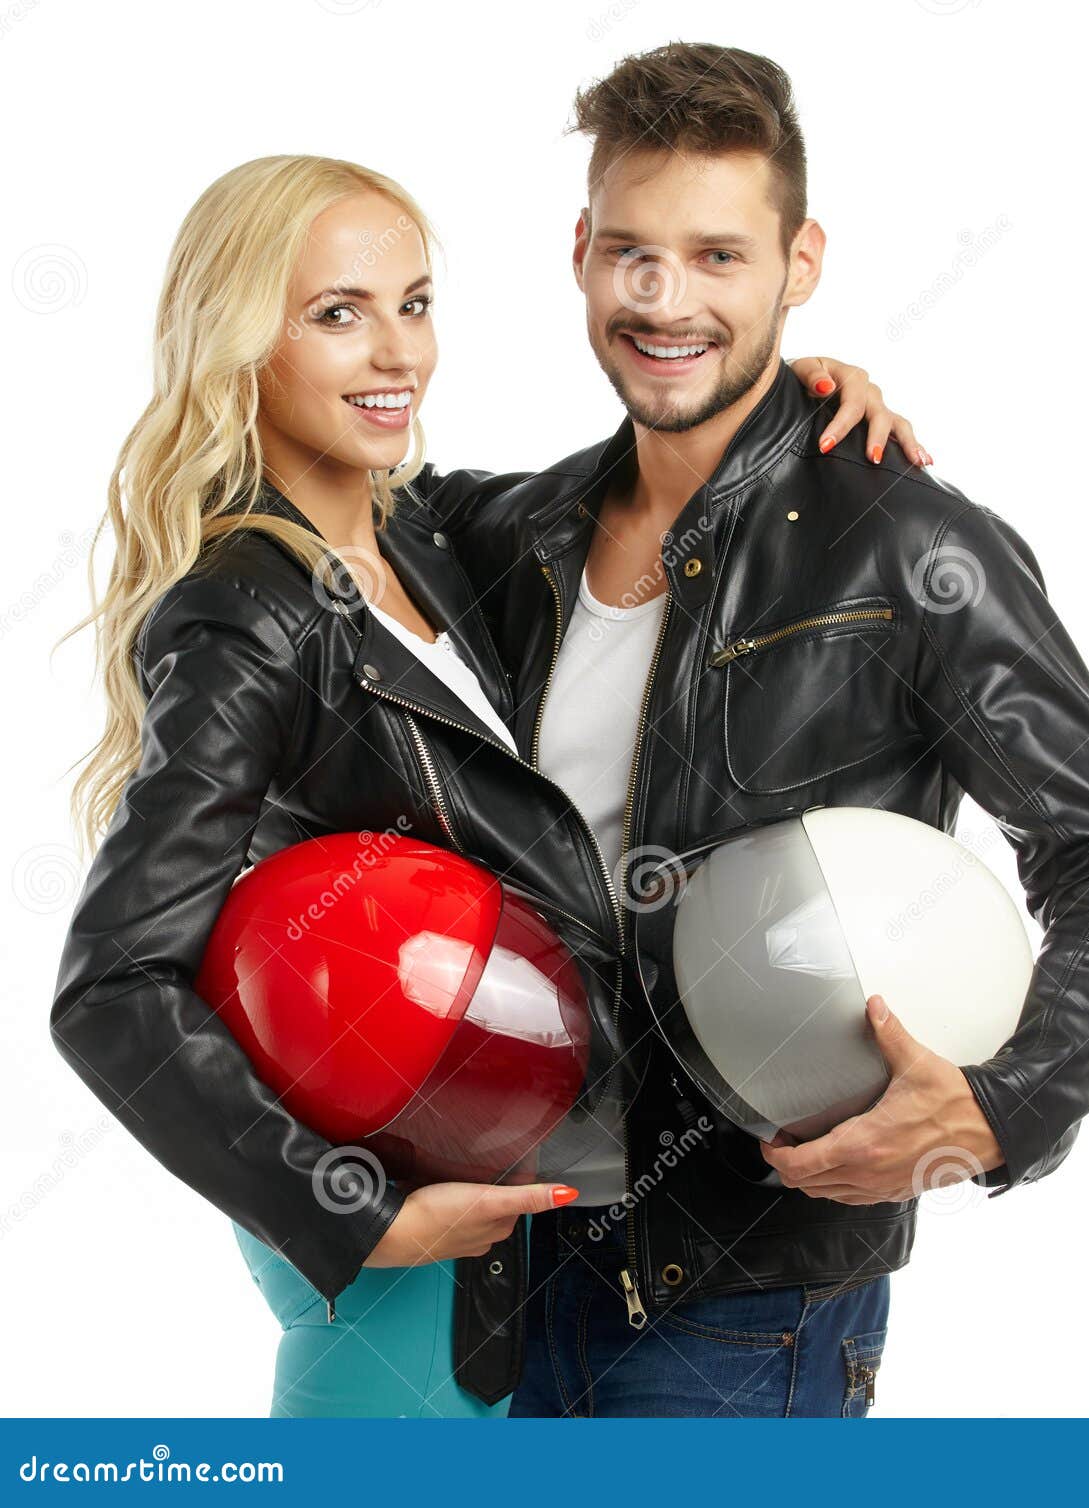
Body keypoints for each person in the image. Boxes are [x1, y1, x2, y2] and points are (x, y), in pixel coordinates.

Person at [47, 152, 921, 1418]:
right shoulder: (245, 614)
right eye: (336, 314)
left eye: (412, 301)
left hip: (519, 1220)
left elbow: (637, 488)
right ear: (241, 342)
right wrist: (346, 1212)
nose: (396, 350)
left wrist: (786, 406)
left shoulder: (427, 531)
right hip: (409, 1253)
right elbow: (111, 986)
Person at [419, 42, 1089, 1419]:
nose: (666, 301)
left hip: (746, 1297)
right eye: (634, 253)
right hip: (504, 1256)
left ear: (803, 261)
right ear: (582, 252)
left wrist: (1008, 1104)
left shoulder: (906, 546)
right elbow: (292, 478)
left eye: (721, 257)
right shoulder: (513, 536)